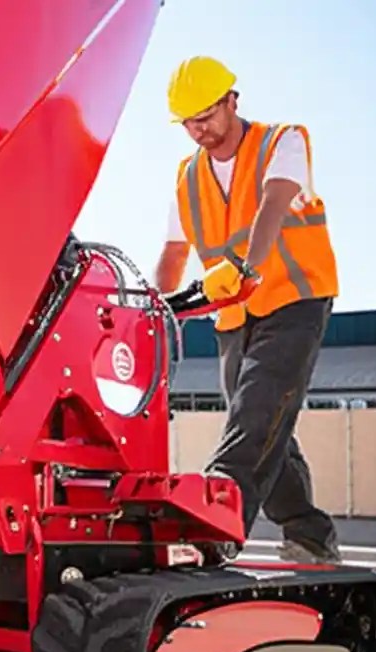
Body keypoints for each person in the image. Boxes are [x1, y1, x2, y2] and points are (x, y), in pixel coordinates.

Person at [153, 56, 341, 564]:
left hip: (293, 299)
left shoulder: (282, 141)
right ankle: (310, 534)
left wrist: (244, 266)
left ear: (232, 100)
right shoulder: (187, 177)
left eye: (207, 115)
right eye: (189, 122)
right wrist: (150, 307)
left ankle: (214, 524)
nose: (200, 130)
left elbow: (273, 206)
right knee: (264, 421)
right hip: (233, 315)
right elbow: (173, 254)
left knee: (255, 411)